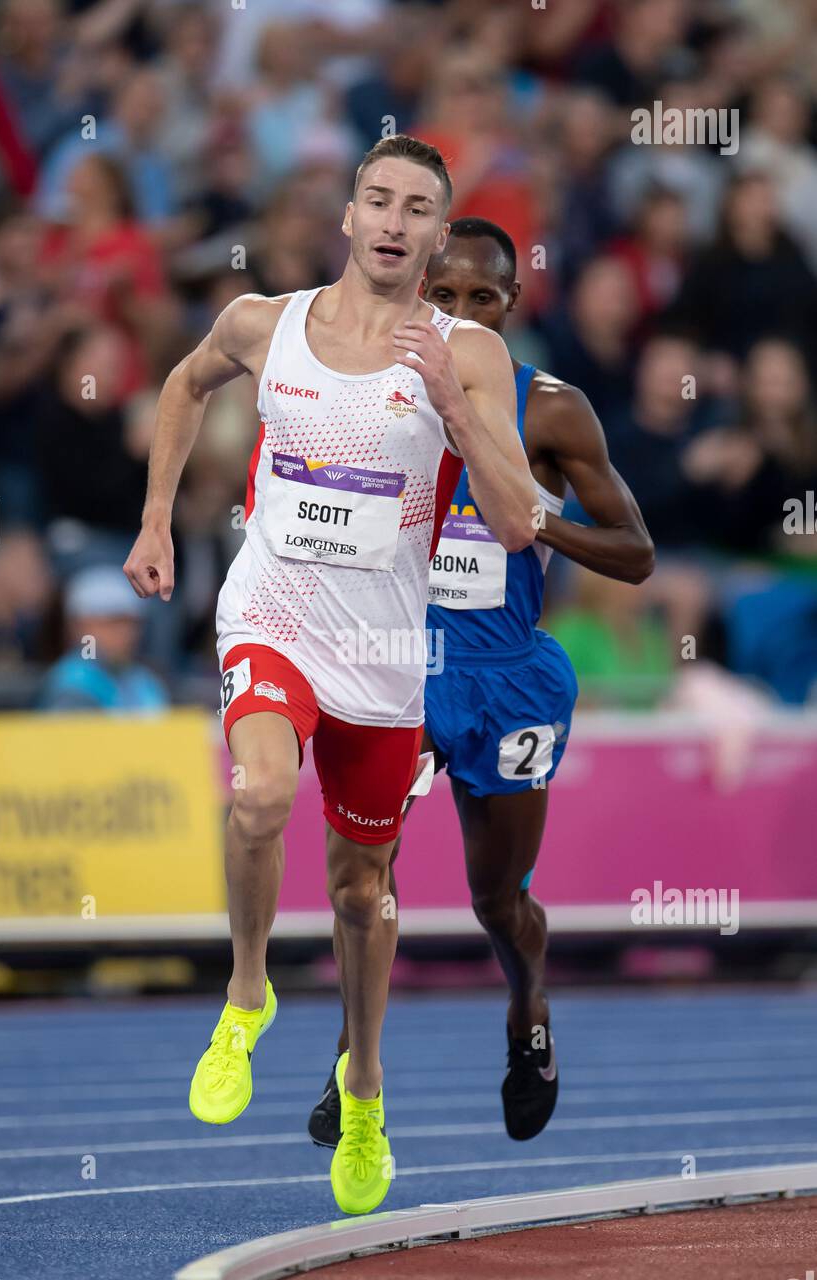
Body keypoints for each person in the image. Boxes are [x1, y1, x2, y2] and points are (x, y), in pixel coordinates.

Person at [123, 136, 540, 1216]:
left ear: (438, 234)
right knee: (258, 793)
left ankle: (363, 1085)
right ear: (349, 215)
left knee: (361, 889)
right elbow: (181, 380)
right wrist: (158, 515)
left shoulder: (470, 355)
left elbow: (514, 522)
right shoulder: (266, 322)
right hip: (272, 612)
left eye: (418, 209)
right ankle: (247, 995)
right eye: (378, 200)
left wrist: (452, 403)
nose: (395, 222)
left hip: (383, 654)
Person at [307, 217, 654, 1150]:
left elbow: (636, 555)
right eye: (444, 296)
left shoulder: (550, 410)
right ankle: (356, 1059)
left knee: (495, 899)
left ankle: (529, 1006)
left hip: (507, 681)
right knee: (365, 875)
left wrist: (537, 522)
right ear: (416, 291)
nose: (460, 314)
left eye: (482, 299)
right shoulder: (360, 391)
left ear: (513, 304)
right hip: (399, 675)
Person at [39, 565, 168, 711]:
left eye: (130, 623)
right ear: (79, 626)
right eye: (111, 623)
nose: (125, 634)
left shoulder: (144, 680)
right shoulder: (72, 683)